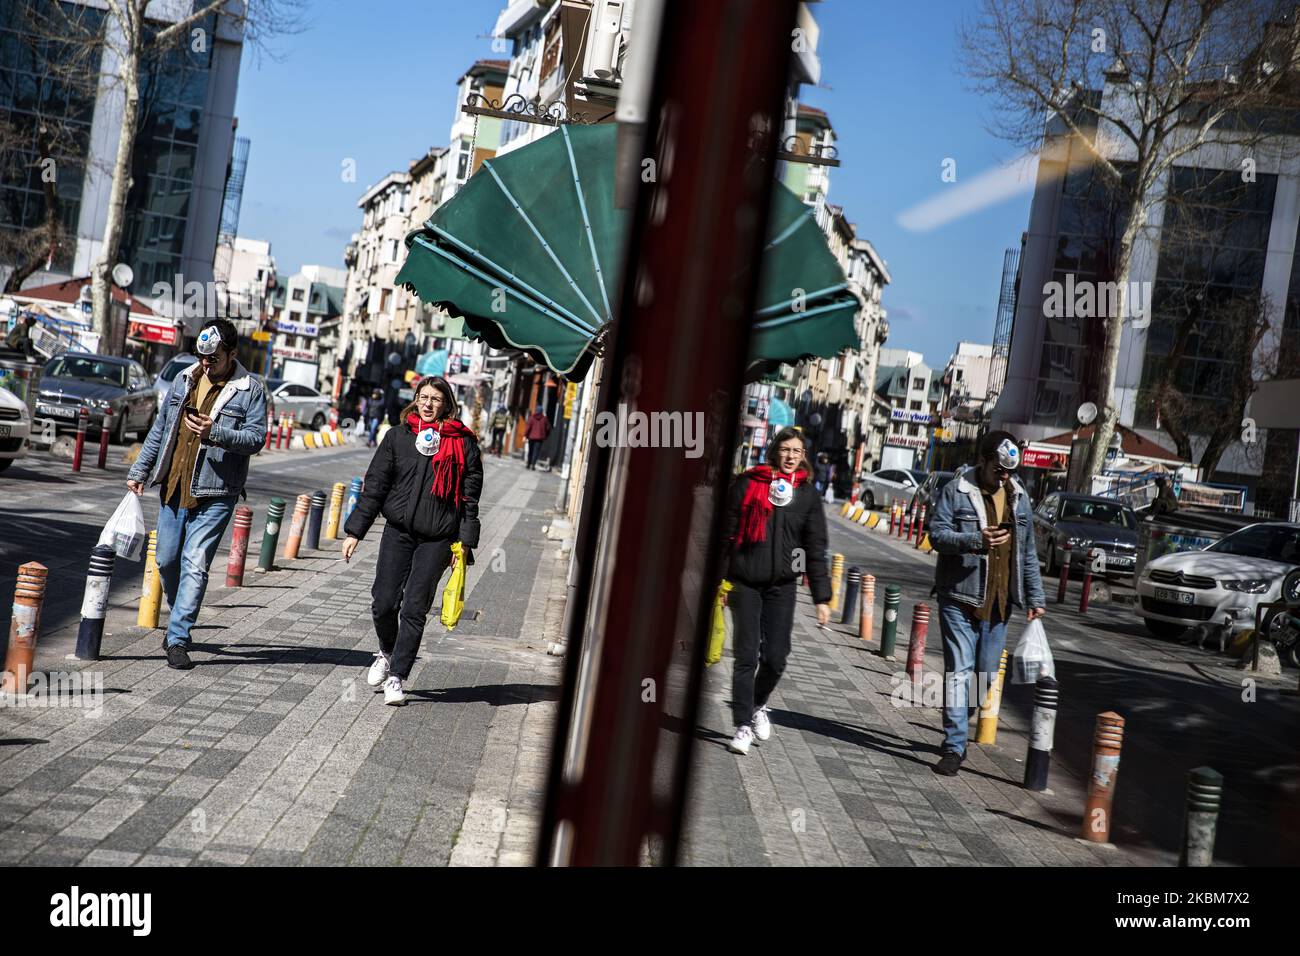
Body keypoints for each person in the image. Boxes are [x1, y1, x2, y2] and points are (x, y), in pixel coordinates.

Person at [126, 319, 268, 670]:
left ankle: (177, 638)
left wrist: (216, 432)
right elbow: (161, 429)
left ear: (232, 354)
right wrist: (139, 470)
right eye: (202, 356)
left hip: (217, 491)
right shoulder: (184, 379)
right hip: (175, 485)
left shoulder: (250, 389)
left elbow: (255, 438)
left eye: (214, 358)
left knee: (195, 563)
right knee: (167, 560)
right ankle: (181, 617)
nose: (206, 363)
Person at [341, 375, 483, 705]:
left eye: (436, 399)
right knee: (384, 601)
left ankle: (397, 676)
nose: (428, 404)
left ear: (446, 404)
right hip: (398, 532)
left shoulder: (463, 444)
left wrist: (465, 544)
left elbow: (469, 499)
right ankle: (387, 651)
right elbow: (375, 486)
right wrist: (354, 532)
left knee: (415, 608)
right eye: (423, 397)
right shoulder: (398, 437)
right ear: (415, 399)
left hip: (438, 538)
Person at [927, 430, 1046, 776]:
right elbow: (936, 534)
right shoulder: (957, 490)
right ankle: (954, 746)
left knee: (985, 676)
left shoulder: (1018, 496)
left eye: (1010, 470)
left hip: (999, 602)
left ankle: (958, 724)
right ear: (983, 460)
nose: (1004, 476)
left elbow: (1027, 552)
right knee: (959, 672)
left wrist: (1035, 598)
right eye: (998, 469)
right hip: (958, 596)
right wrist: (974, 540)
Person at [720, 427, 832, 755]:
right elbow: (724, 536)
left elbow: (815, 548)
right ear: (774, 452)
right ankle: (742, 725)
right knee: (745, 655)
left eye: (796, 451)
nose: (790, 456)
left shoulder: (807, 495)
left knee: (776, 657)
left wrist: (822, 598)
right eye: (785, 449)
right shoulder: (748, 483)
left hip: (782, 587)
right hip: (744, 582)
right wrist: (719, 581)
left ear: (803, 457)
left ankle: (757, 704)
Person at [524, 405, 550, 470]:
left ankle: (528, 464)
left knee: (531, 451)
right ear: (541, 411)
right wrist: (546, 436)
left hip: (531, 437)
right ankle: (533, 465)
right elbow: (548, 428)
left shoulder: (532, 418)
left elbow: (528, 427)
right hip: (539, 438)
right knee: (536, 452)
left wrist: (525, 435)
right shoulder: (544, 419)